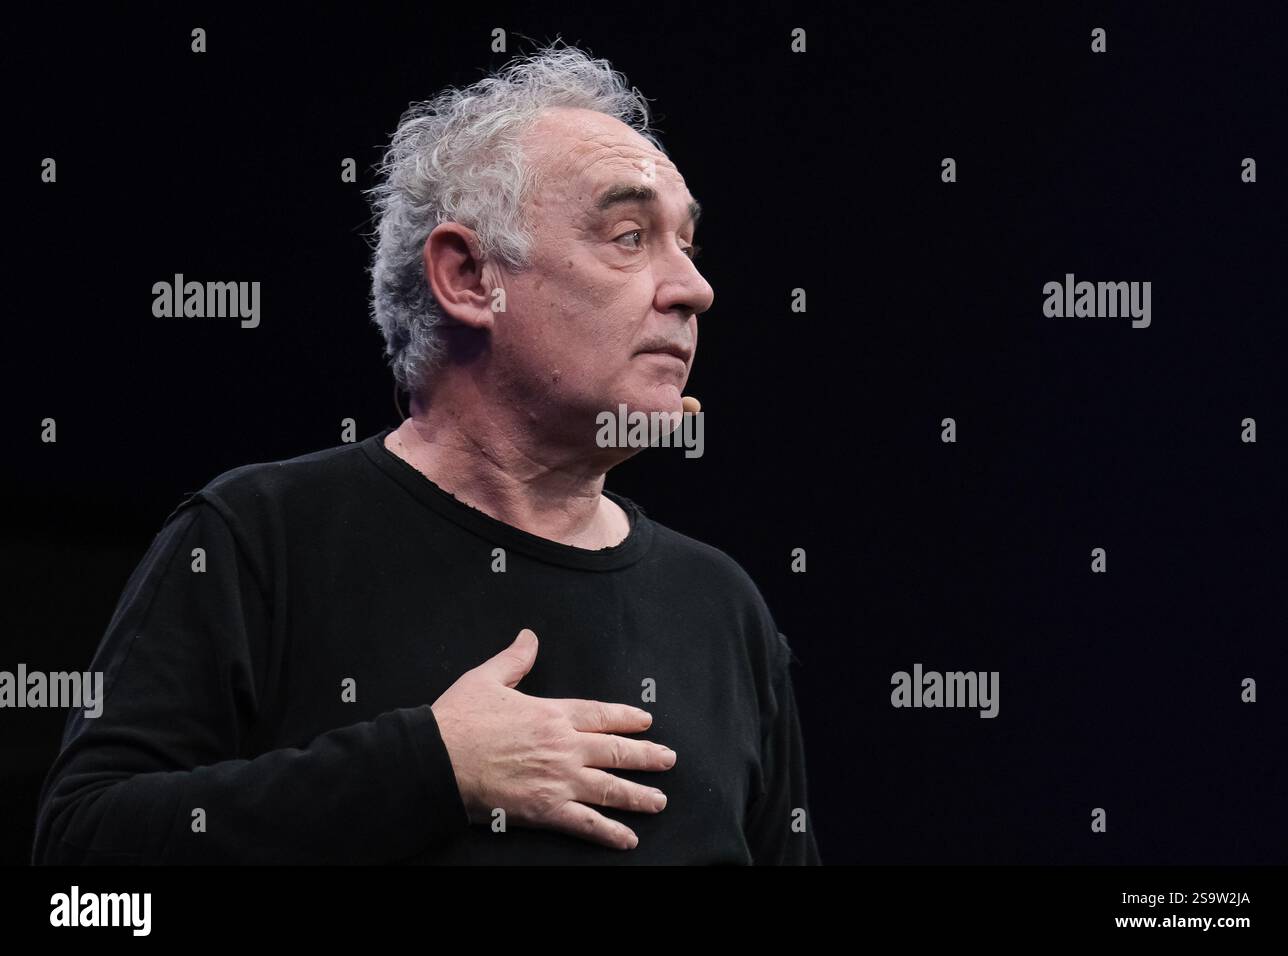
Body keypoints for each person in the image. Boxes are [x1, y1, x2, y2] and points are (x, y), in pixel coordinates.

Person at [31, 41, 820, 865]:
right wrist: (432, 766)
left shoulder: (721, 605)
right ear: (470, 276)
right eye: (629, 236)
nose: (695, 289)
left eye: (686, 247)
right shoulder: (259, 539)